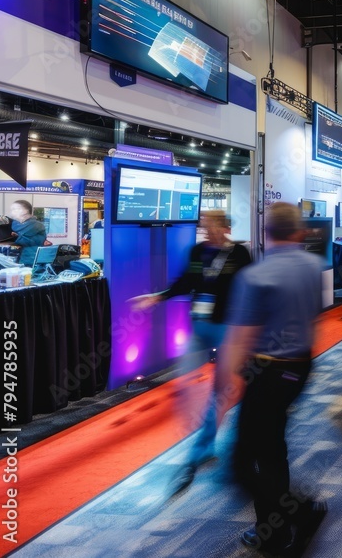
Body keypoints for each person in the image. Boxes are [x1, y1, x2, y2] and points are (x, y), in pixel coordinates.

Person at [214, 203, 327, 555]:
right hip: (300, 366)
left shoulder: (256, 276)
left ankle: (300, 512)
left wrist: (224, 392)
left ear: (266, 234)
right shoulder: (315, 266)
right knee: (272, 449)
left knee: (240, 464)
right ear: (298, 232)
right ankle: (271, 532)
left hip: (268, 372)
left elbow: (239, 339)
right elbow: (315, 318)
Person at [128, 210, 252, 493]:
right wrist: (158, 297)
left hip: (228, 328)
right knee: (188, 382)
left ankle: (211, 445)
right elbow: (186, 281)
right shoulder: (197, 251)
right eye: (204, 227)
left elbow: (249, 290)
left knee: (222, 389)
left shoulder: (240, 255)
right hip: (199, 325)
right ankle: (203, 439)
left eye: (212, 226)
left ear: (225, 227)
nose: (208, 231)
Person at [8, 200, 46, 265]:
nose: (13, 212)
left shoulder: (36, 225)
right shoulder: (14, 225)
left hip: (31, 260)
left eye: (16, 209)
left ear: (26, 210)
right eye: (12, 209)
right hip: (16, 260)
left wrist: (16, 237)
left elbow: (26, 241)